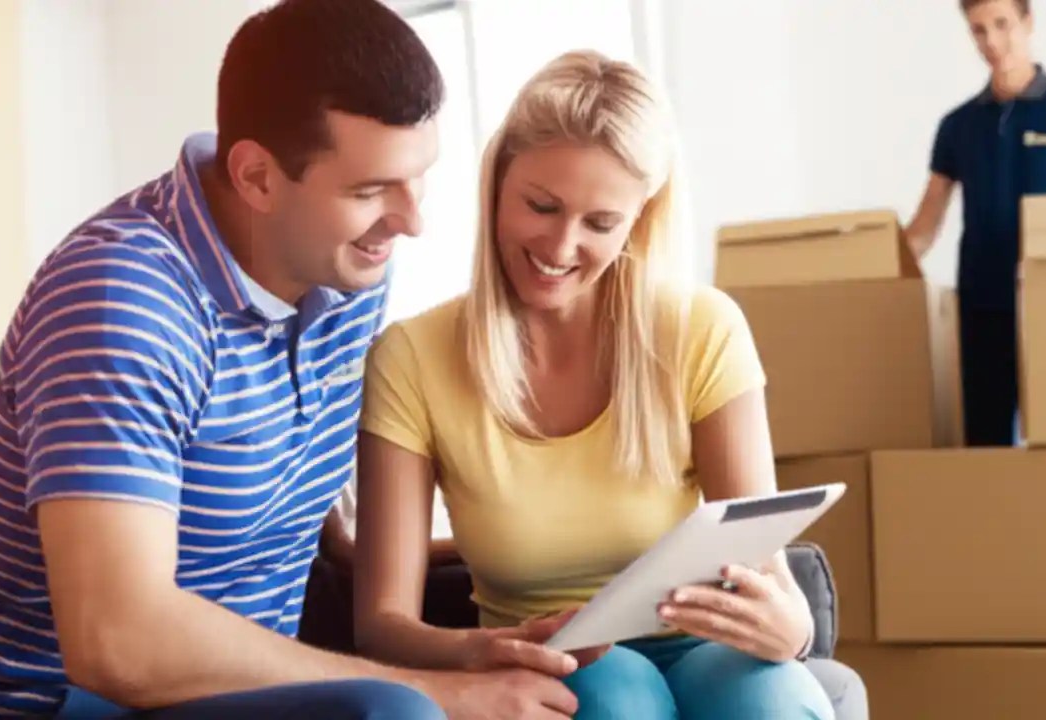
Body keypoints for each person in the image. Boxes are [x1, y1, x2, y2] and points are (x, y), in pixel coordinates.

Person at [0, 1, 566, 718]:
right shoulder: (122, 301)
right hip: (67, 704)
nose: (410, 221)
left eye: (417, 177)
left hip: (237, 695)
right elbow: (117, 644)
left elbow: (283, 491)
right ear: (258, 177)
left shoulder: (345, 268)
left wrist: (466, 644)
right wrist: (443, 692)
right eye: (368, 191)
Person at [353, 49, 835, 720]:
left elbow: (767, 572)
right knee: (613, 696)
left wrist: (795, 631)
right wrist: (487, 649)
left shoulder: (702, 329)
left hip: (707, 648)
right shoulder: (412, 357)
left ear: (639, 219)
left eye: (601, 223)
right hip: (554, 661)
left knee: (776, 700)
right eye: (541, 206)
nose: (559, 247)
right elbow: (381, 625)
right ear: (497, 184)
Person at [905, 0, 1046, 447]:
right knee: (986, 444)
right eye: (978, 30)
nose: (992, 42)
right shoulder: (958, 126)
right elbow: (923, 229)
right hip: (982, 306)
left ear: (1028, 22)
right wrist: (867, 269)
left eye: (1002, 25)